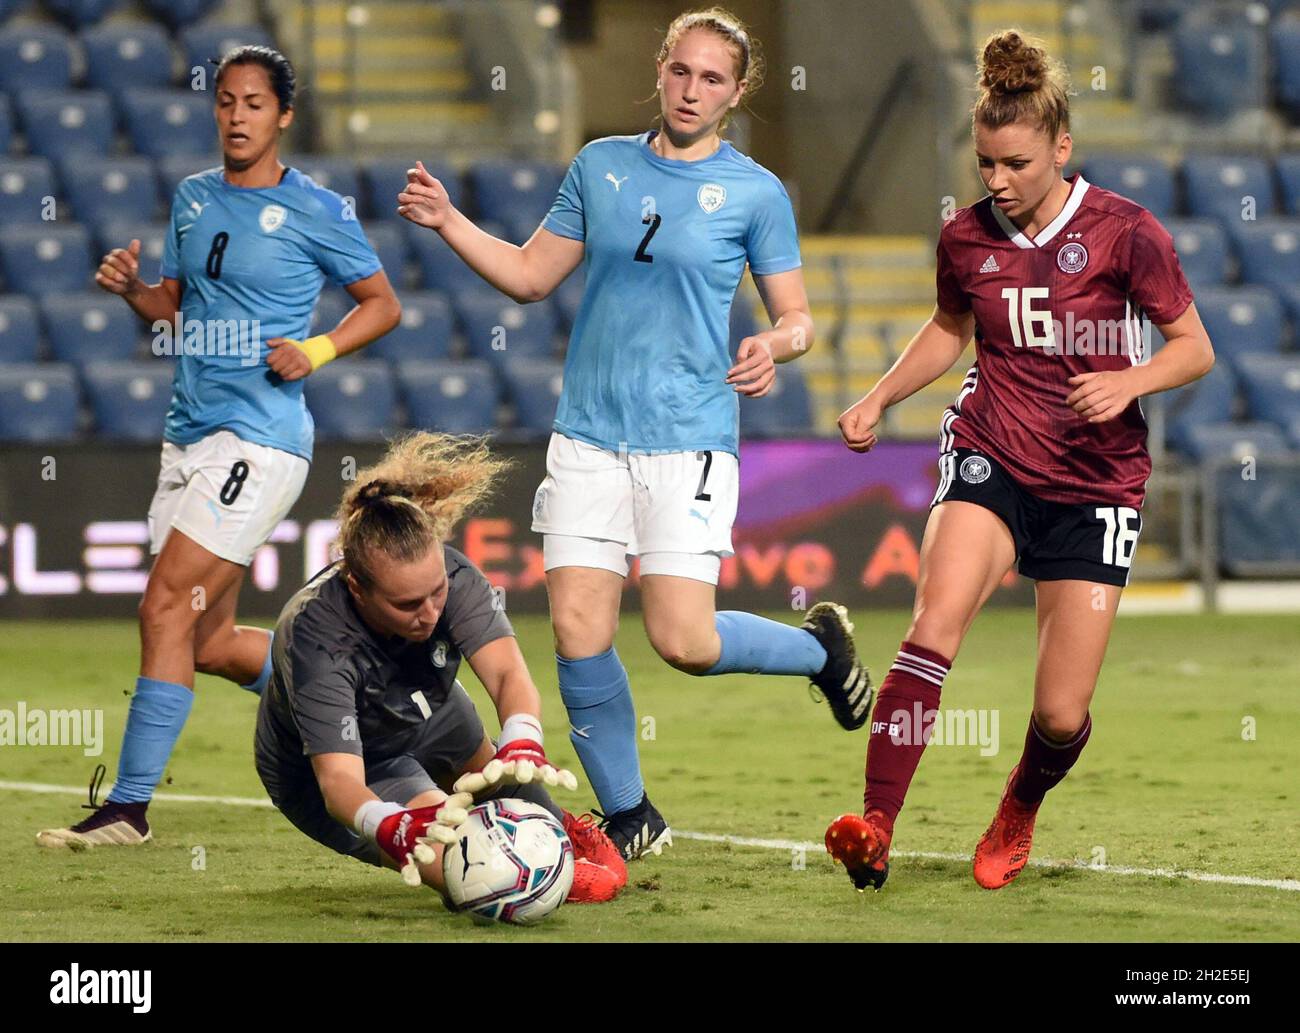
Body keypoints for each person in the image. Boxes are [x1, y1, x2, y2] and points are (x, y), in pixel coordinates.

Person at [395, 6, 872, 861]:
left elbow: (798, 317)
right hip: (587, 435)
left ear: (736, 94)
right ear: (659, 69)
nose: (693, 90)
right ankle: (631, 815)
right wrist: (450, 223)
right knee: (578, 628)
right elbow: (533, 276)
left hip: (686, 438)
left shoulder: (756, 193)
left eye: (713, 79)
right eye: (681, 71)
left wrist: (774, 345)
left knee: (683, 641)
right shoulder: (599, 166)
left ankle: (816, 650)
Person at [825, 30, 1215, 891]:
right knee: (935, 621)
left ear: (1062, 148)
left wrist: (1130, 380)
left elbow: (1195, 348)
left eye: (1015, 163)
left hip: (1097, 483)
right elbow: (951, 328)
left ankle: (1019, 806)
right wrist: (880, 396)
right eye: (984, 162)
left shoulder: (1127, 233)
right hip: (992, 451)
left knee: (1059, 710)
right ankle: (875, 825)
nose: (996, 180)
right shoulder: (965, 238)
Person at [38, 46, 401, 849]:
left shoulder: (316, 208)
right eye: (227, 102)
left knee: (162, 605)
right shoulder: (194, 198)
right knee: (202, 639)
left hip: (261, 437)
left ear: (284, 117)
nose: (237, 116)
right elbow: (177, 307)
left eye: (254, 104)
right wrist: (136, 289)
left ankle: (129, 809)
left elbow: (382, 305)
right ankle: (358, 706)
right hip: (189, 439)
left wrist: (318, 350)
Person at [253, 433, 626, 903]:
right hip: (353, 763)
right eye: (407, 603)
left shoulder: (452, 574)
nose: (429, 613)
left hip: (432, 707)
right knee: (473, 867)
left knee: (512, 790)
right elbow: (338, 782)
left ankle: (562, 825)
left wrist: (522, 739)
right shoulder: (317, 637)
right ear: (357, 588)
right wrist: (387, 823)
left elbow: (509, 675)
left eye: (435, 593)